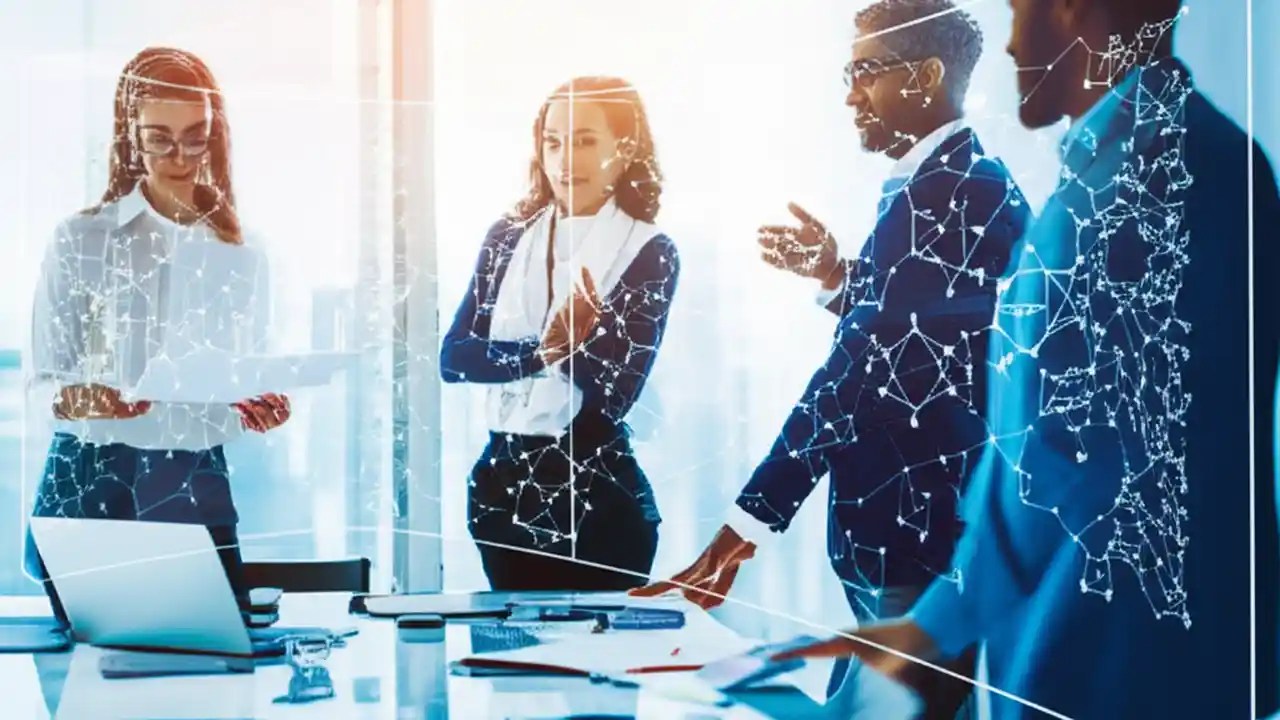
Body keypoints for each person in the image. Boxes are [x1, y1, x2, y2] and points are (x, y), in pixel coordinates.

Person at [780, 2, 1280, 718]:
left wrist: (939, 625)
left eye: (1019, 7)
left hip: (1115, 671)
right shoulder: (1124, 169)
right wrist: (934, 627)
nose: (1010, 43)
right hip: (1082, 655)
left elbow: (1072, 457)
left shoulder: (1152, 180)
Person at [633, 1, 1030, 716]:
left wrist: (743, 529)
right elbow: (929, 337)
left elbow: (859, 372)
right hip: (909, 537)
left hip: (919, 541)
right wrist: (838, 279)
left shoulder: (947, 192)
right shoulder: (948, 181)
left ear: (925, 75)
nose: (849, 94)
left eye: (865, 73)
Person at [25, 47, 291, 621]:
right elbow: (42, 379)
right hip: (91, 476)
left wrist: (257, 405)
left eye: (196, 136)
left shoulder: (242, 254)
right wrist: (73, 397)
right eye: (159, 137)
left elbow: (243, 376)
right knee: (89, 685)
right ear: (129, 136)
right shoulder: (80, 238)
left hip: (192, 477)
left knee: (211, 679)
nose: (180, 155)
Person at [440, 77, 679, 591]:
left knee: (599, 667)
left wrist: (565, 351)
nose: (567, 158)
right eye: (553, 141)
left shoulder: (650, 249)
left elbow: (615, 394)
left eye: (586, 140)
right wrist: (545, 350)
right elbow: (455, 358)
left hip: (597, 503)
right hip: (502, 495)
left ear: (626, 145)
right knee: (513, 663)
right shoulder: (508, 236)